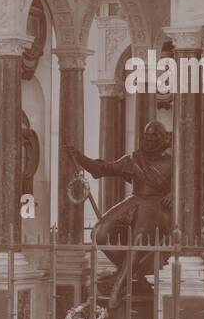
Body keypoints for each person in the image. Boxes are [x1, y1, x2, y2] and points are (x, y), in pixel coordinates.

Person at [65, 120, 172, 309]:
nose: (149, 141)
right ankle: (132, 273)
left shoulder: (173, 163)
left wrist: (175, 194)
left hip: (156, 206)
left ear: (163, 139)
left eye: (154, 137)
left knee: (139, 240)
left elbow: (193, 188)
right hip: (136, 199)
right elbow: (102, 169)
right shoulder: (134, 158)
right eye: (146, 137)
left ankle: (119, 286)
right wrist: (80, 158)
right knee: (99, 232)